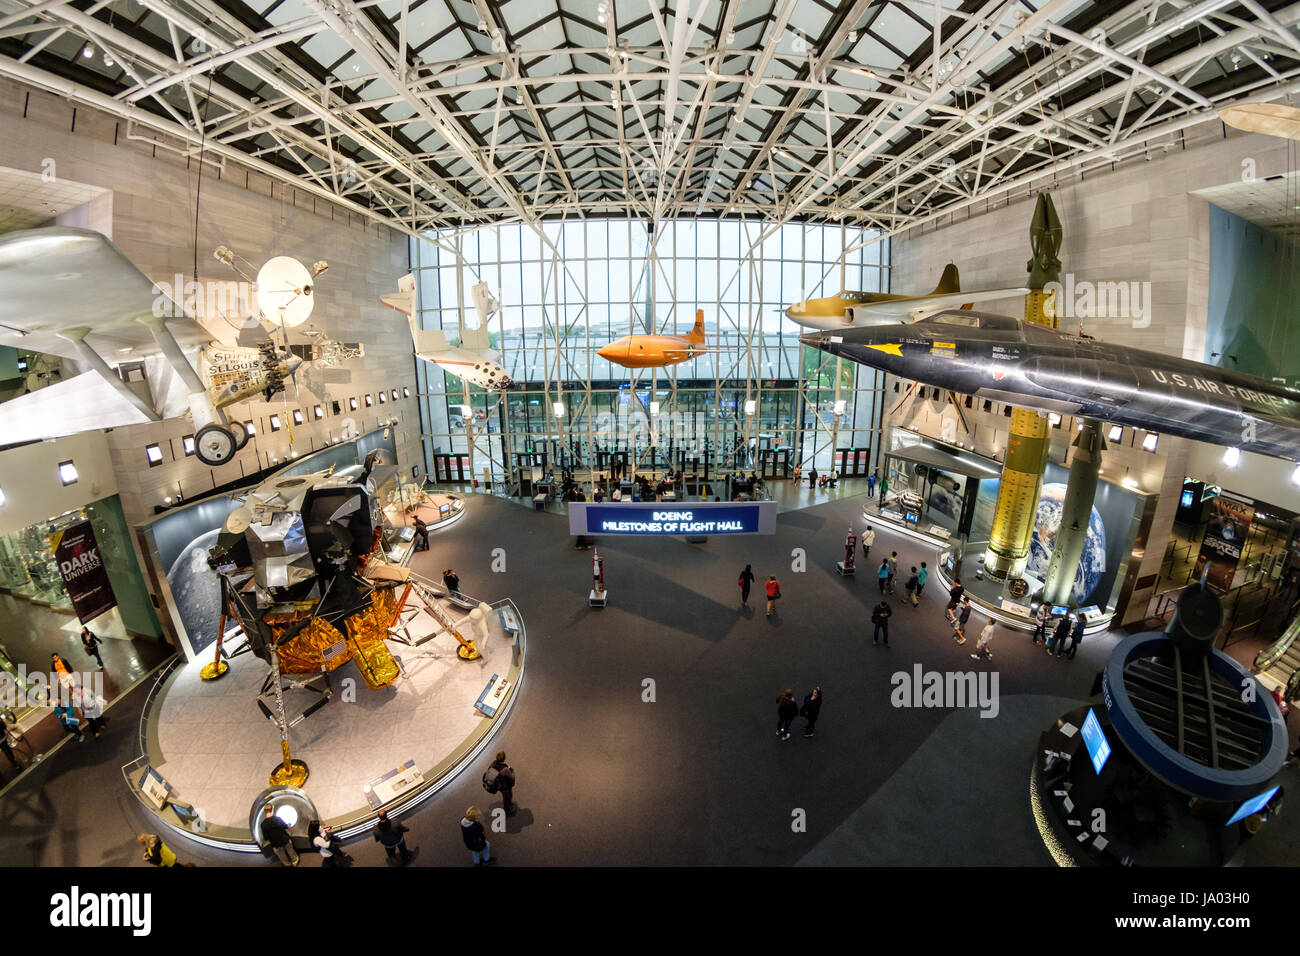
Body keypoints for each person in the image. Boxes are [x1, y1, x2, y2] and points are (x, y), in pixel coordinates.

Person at [486, 751, 517, 816]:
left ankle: (507, 803)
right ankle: (507, 810)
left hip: (498, 785)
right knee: (508, 796)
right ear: (504, 758)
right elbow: (512, 777)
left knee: (505, 795)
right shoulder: (505, 769)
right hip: (505, 786)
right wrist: (511, 770)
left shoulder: (493, 763)